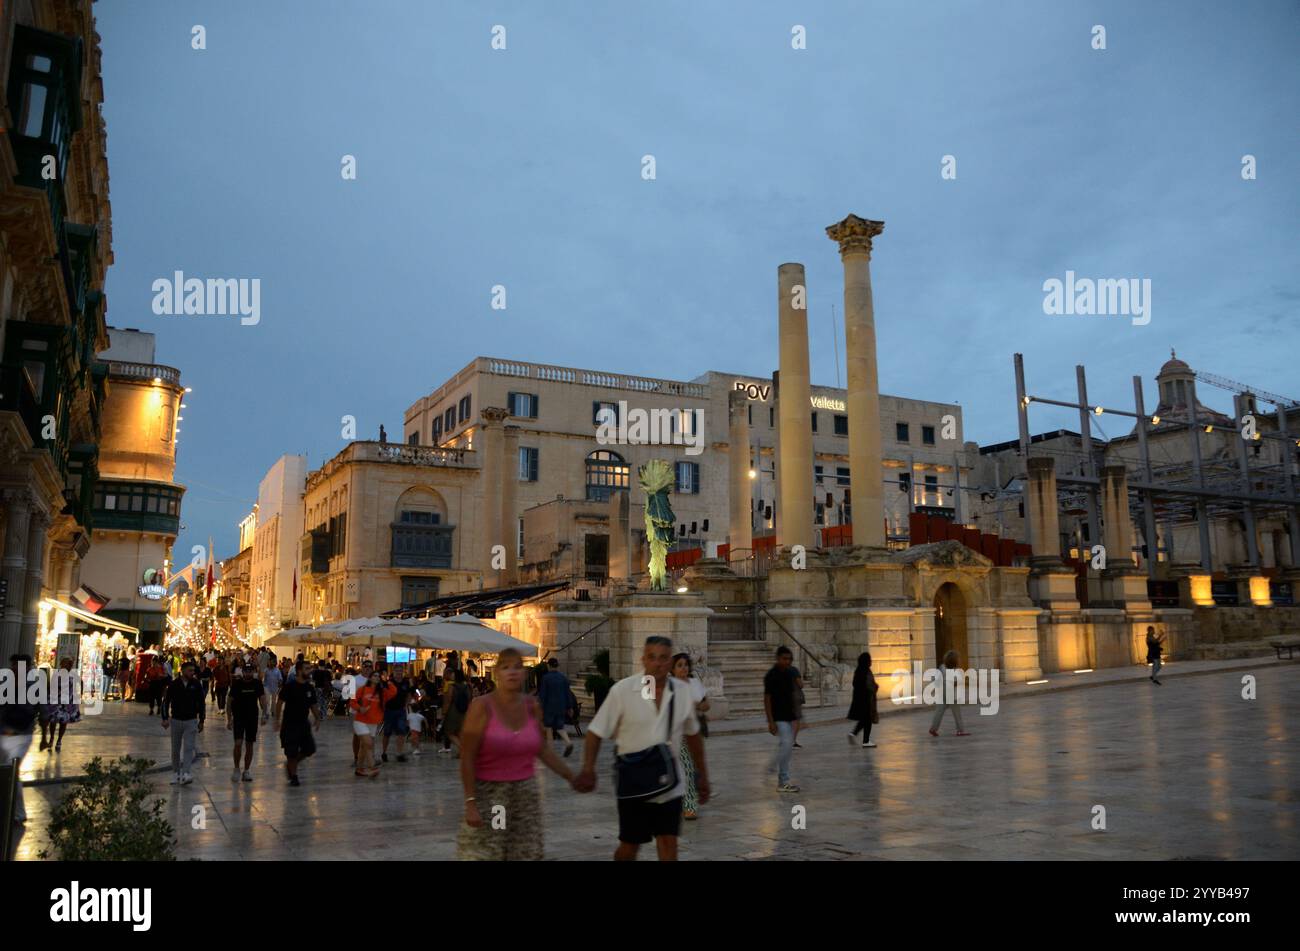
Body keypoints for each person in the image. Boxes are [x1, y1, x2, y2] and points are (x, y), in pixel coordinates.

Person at [574, 636, 709, 861]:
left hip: (670, 782)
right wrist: (588, 768)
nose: (658, 663)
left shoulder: (681, 692)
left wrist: (702, 775)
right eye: (652, 657)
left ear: (669, 662)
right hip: (634, 781)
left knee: (668, 844)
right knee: (629, 847)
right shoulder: (623, 691)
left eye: (664, 658)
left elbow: (693, 734)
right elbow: (596, 731)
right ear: (643, 660)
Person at [458, 648, 577, 860]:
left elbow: (541, 749)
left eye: (517, 667)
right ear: (497, 673)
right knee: (492, 848)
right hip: (495, 797)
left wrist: (570, 776)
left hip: (525, 796)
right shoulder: (482, 707)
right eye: (505, 667)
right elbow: (467, 757)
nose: (512, 672)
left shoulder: (531, 706)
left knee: (526, 852)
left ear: (524, 673)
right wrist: (470, 802)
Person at [1, 654, 39, 826]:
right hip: (4, 733)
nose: (14, 669)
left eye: (17, 666)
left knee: (11, 771)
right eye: (13, 666)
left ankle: (18, 812)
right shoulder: (5, 683)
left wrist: (46, 736)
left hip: (21, 735)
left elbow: (42, 711)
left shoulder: (34, 686)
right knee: (8, 771)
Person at [670, 652, 709, 820]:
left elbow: (706, 703)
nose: (683, 668)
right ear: (672, 669)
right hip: (672, 733)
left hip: (691, 733)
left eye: (685, 665)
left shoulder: (694, 683)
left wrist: (698, 705)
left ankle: (690, 806)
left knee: (690, 769)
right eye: (679, 665)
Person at [275, 660, 321, 787]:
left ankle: (290, 765)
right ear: (299, 671)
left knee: (310, 749)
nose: (310, 671)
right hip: (290, 724)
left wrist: (317, 718)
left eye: (310, 668)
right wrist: (277, 720)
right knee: (291, 752)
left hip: (304, 724)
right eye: (307, 668)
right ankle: (294, 775)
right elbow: (279, 703)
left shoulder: (309, 687)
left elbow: (313, 704)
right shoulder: (290, 686)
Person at [161, 661, 206, 785]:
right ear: (183, 671)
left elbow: (201, 703)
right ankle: (176, 773)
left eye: (193, 671)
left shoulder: (196, 685)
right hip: (176, 720)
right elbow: (166, 702)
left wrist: (202, 720)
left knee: (189, 747)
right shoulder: (174, 685)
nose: (192, 673)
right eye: (190, 670)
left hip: (191, 720)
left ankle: (186, 773)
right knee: (175, 749)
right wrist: (165, 718)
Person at [764, 646, 801, 792]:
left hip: (789, 715)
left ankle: (782, 780)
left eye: (789, 659)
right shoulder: (771, 675)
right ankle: (775, 769)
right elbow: (767, 699)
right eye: (784, 659)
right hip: (778, 716)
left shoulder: (790, 673)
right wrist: (770, 721)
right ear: (778, 658)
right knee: (786, 744)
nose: (787, 662)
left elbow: (793, 695)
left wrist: (797, 717)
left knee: (787, 747)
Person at [227, 663, 264, 781]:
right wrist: (229, 719)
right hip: (239, 718)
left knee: (249, 744)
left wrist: (265, 714)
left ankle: (246, 770)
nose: (248, 673)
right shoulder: (237, 684)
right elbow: (229, 701)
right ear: (242, 672)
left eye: (250, 670)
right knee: (238, 743)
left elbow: (262, 699)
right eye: (246, 670)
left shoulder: (257, 684)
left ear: (253, 671)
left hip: (252, 718)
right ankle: (236, 768)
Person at [350, 669, 389, 777]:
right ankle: (372, 766)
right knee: (368, 743)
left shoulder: (382, 692)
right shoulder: (362, 690)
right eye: (374, 676)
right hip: (360, 721)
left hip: (373, 722)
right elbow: (352, 701)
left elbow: (393, 692)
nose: (376, 677)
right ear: (370, 678)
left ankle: (359, 769)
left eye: (378, 676)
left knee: (364, 746)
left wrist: (386, 681)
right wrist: (359, 708)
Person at [537, 657, 575, 757]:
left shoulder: (546, 678)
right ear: (557, 666)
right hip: (561, 706)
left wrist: (540, 707)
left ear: (548, 666)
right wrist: (570, 707)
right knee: (559, 727)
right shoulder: (563, 678)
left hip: (549, 707)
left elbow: (543, 695)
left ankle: (551, 751)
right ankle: (568, 742)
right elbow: (568, 693)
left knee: (548, 728)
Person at [41, 657, 81, 753]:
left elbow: (78, 684)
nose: (64, 666)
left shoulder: (72, 674)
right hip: (56, 701)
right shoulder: (56, 673)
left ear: (70, 665)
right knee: (53, 721)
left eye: (67, 664)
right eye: (63, 664)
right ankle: (51, 738)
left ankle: (59, 740)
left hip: (67, 702)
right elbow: (51, 685)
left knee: (63, 722)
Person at [928, 649, 970, 737]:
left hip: (942, 692)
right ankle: (960, 730)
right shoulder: (956, 671)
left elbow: (935, 679)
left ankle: (933, 729)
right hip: (951, 693)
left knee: (939, 711)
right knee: (956, 712)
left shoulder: (942, 667)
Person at [847, 652, 879, 748]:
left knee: (864, 719)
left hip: (859, 698)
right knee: (867, 719)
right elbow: (870, 686)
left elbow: (854, 684)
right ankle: (865, 740)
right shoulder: (866, 671)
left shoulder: (858, 670)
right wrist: (875, 687)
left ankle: (854, 734)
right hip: (867, 699)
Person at [441, 669, 472, 757]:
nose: (451, 675)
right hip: (464, 711)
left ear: (456, 676)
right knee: (460, 732)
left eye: (453, 674)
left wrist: (444, 712)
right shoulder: (467, 686)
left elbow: (448, 700)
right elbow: (470, 698)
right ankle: (460, 752)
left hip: (453, 711)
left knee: (449, 732)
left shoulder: (452, 686)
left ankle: (462, 749)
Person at [381, 674, 410, 763]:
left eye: (400, 671)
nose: (399, 673)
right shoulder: (389, 683)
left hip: (400, 710)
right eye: (397, 671)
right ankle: (384, 752)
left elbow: (408, 694)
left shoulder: (406, 683)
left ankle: (399, 753)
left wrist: (406, 705)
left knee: (401, 731)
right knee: (387, 732)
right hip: (389, 710)